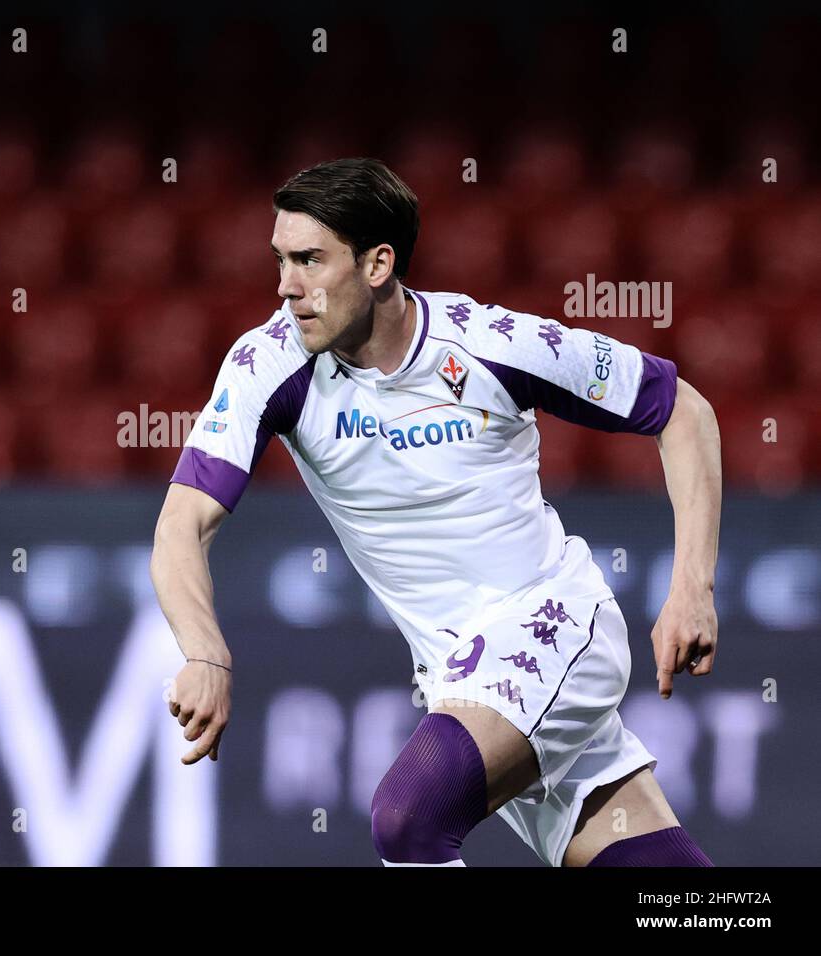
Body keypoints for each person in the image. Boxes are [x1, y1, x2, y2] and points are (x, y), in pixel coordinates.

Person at [150, 157, 720, 867]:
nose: (286, 288)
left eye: (309, 260)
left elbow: (682, 411)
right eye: (279, 261)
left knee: (407, 815)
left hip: (553, 625)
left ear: (378, 263)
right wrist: (204, 651)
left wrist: (691, 585)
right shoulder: (268, 365)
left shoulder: (493, 346)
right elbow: (181, 525)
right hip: (460, 676)